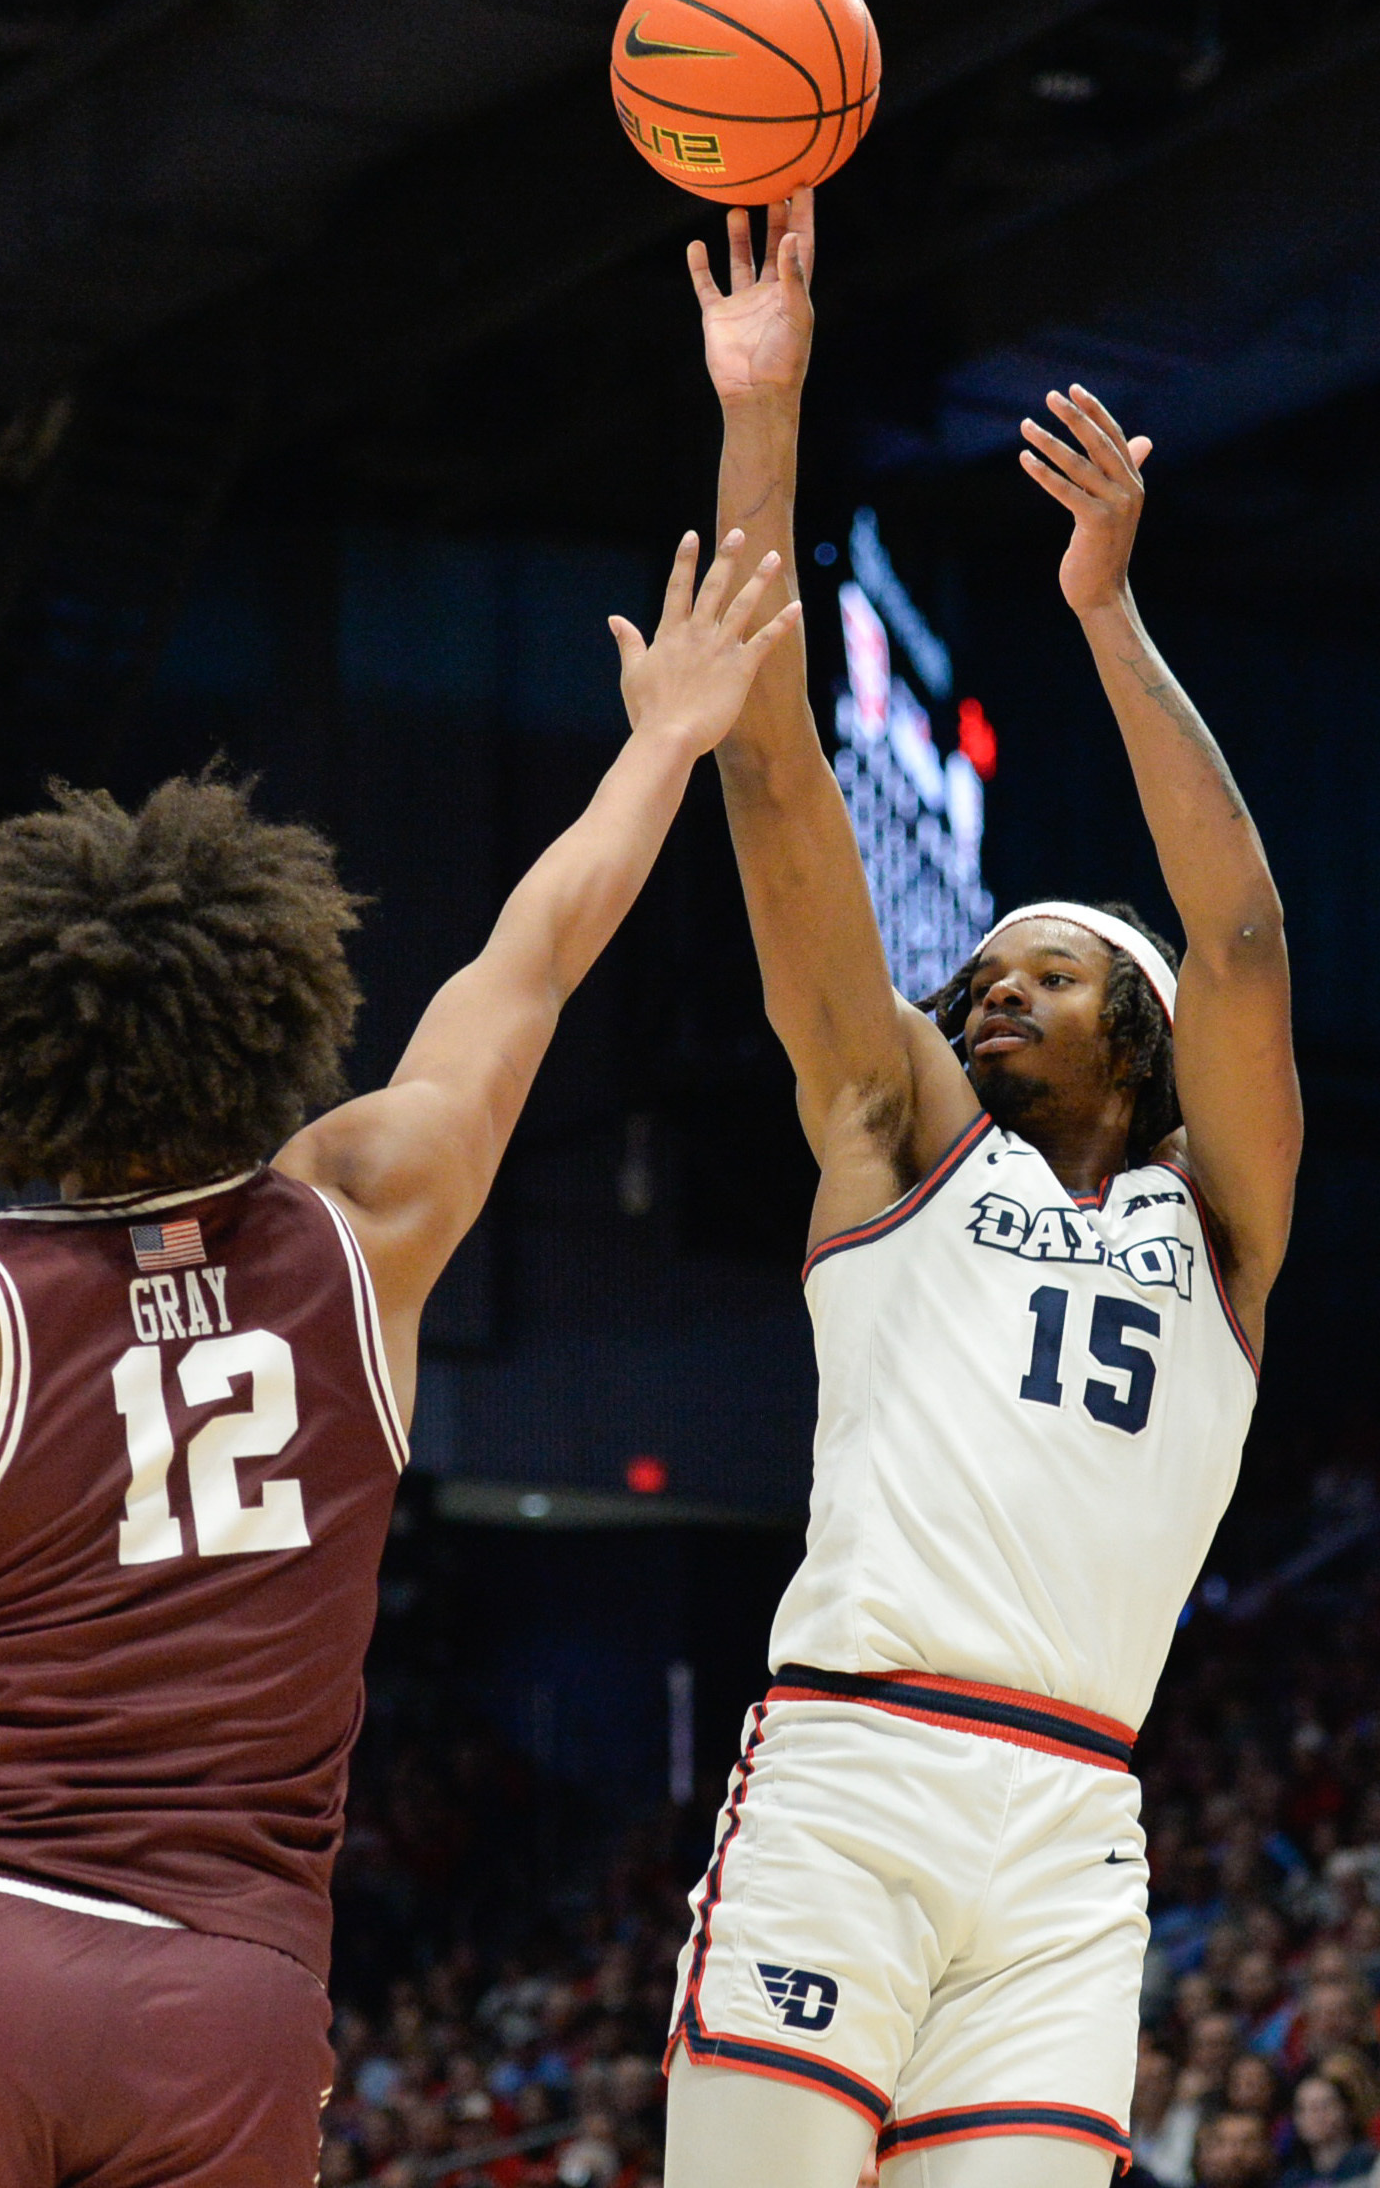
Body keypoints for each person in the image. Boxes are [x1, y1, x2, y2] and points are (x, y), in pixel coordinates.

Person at [0, 528, 801, 2188]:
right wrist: (663, 737)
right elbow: (524, 961)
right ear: (266, 1012)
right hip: (231, 1996)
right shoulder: (367, 1228)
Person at [660, 190, 1301, 2188]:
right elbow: (776, 775)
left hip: (1074, 1829)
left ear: (1144, 1026)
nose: (988, 982)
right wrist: (761, 413)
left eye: (1048, 962)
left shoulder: (1222, 1231)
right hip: (853, 1769)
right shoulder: (897, 1132)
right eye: (979, 968)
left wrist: (1106, 615)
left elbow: (1253, 936)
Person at [1281, 2054, 1380, 2183]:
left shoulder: (1371, 2163)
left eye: (1324, 2105)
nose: (1314, 2116)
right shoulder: (1293, 2178)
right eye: (1303, 2108)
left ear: (1348, 2111)